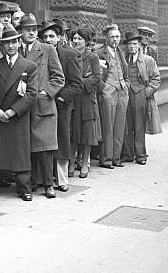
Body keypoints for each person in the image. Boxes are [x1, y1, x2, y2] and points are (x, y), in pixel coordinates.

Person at [0, 26, 38, 200]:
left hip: (17, 116)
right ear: (2, 46)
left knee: (20, 153)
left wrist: (12, 111)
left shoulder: (29, 66)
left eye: (13, 42)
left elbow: (31, 94)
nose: (10, 46)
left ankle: (24, 188)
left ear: (19, 43)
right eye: (6, 43)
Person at [19, 13, 65, 198]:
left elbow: (59, 77)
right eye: (26, 29)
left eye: (33, 29)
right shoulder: (15, 49)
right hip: (22, 106)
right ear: (20, 32)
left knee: (45, 148)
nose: (31, 33)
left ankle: (48, 184)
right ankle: (29, 185)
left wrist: (46, 92)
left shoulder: (46, 49)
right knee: (25, 148)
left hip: (43, 106)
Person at [40, 20, 82, 191]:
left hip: (61, 105)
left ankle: (62, 179)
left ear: (59, 37)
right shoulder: (39, 53)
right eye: (45, 37)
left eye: (52, 36)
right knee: (44, 140)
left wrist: (61, 98)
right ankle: (45, 178)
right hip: (43, 104)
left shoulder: (68, 55)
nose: (48, 39)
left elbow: (77, 84)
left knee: (62, 140)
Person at [120, 31, 161, 165]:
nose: (132, 47)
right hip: (125, 94)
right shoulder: (123, 58)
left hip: (140, 95)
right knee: (126, 124)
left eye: (134, 44)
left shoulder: (148, 60)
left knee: (139, 126)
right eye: (130, 44)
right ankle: (127, 154)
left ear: (139, 45)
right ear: (126, 46)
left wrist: (145, 93)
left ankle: (140, 155)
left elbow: (156, 79)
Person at [69, 28, 102, 178]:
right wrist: (81, 81)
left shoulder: (92, 57)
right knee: (73, 132)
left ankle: (84, 164)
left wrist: (78, 82)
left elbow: (96, 78)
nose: (76, 41)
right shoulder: (69, 55)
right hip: (73, 99)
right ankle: (71, 162)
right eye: (74, 39)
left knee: (87, 132)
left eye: (79, 39)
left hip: (88, 99)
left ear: (86, 41)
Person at [96, 24, 129, 169]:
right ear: (106, 38)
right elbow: (95, 75)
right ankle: (107, 159)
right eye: (112, 37)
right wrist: (103, 89)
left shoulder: (120, 52)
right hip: (108, 92)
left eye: (117, 36)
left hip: (122, 92)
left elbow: (125, 71)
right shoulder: (99, 53)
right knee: (108, 127)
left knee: (119, 125)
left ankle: (116, 157)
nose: (115, 39)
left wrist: (126, 85)